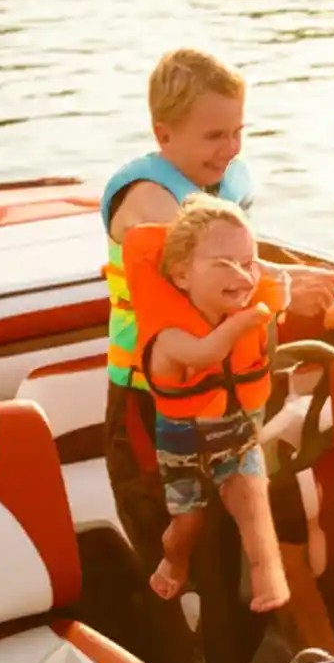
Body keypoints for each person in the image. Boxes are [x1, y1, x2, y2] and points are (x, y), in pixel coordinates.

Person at [99, 48, 334, 663]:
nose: (230, 147)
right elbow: (210, 272)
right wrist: (291, 281)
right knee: (185, 538)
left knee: (239, 539)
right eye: (214, 135)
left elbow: (244, 263)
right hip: (156, 402)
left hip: (228, 398)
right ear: (163, 134)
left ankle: (244, 658)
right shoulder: (144, 201)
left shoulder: (221, 186)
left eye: (239, 130)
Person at [124, 195, 290, 612]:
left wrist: (279, 296)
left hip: (240, 435)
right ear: (180, 275)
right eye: (223, 264)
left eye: (248, 263)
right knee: (189, 521)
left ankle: (269, 578)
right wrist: (252, 317)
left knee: (253, 501)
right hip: (186, 445)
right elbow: (206, 354)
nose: (242, 275)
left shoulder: (249, 310)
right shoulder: (171, 337)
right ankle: (174, 559)